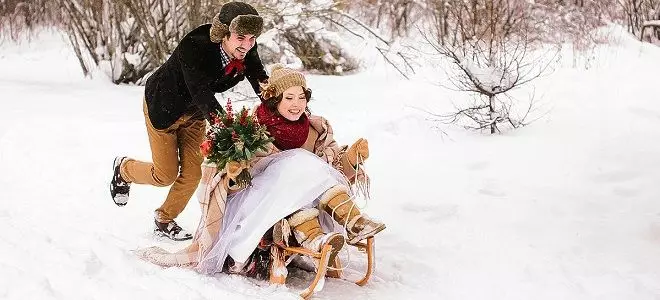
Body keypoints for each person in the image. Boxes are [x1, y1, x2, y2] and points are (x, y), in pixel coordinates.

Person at [135, 65, 386, 278]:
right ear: (275, 99)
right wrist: (233, 171)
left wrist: (351, 159)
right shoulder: (252, 130)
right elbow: (223, 181)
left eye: (301, 97)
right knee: (298, 161)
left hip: (304, 199)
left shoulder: (315, 130)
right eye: (289, 98)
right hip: (258, 204)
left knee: (310, 168)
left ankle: (351, 224)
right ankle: (314, 238)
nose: (296, 104)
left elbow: (333, 170)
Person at [109, 2, 269, 241]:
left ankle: (164, 219)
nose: (247, 44)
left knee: (193, 173)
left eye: (252, 38)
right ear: (223, 33)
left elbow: (259, 77)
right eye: (241, 37)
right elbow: (200, 91)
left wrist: (279, 103)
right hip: (164, 108)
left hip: (195, 114)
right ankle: (124, 170)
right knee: (165, 175)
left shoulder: (245, 49)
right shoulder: (195, 46)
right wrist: (228, 129)